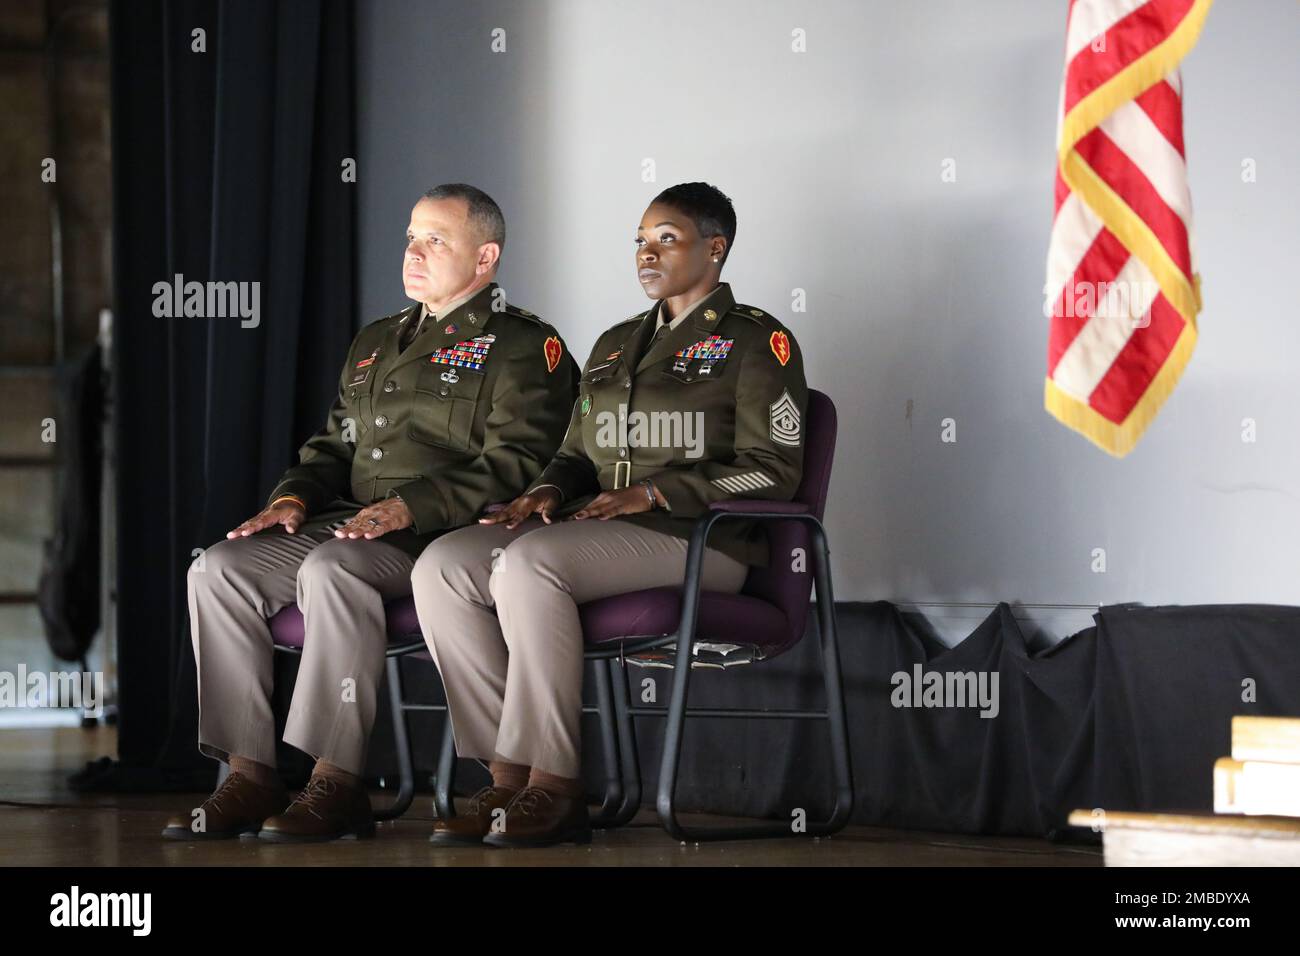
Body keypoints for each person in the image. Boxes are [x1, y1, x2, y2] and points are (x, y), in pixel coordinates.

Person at [163, 184, 579, 843]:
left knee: (335, 569)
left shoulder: (526, 346)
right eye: (412, 236)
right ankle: (250, 775)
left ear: (485, 257)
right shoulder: (377, 340)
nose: (414, 251)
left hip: (445, 532)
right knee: (218, 570)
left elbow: (524, 461)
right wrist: (294, 497)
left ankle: (336, 782)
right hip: (352, 519)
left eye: (435, 239)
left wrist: (406, 507)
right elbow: (335, 444)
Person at [412, 182, 809, 847]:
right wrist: (543, 491)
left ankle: (557, 787)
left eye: (667, 239)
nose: (647, 254)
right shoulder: (615, 344)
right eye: (640, 242)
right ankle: (507, 776)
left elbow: (775, 469)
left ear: (716, 249)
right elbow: (575, 454)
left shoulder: (757, 341)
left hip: (704, 541)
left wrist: (656, 494)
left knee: (530, 563)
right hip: (601, 535)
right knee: (444, 565)